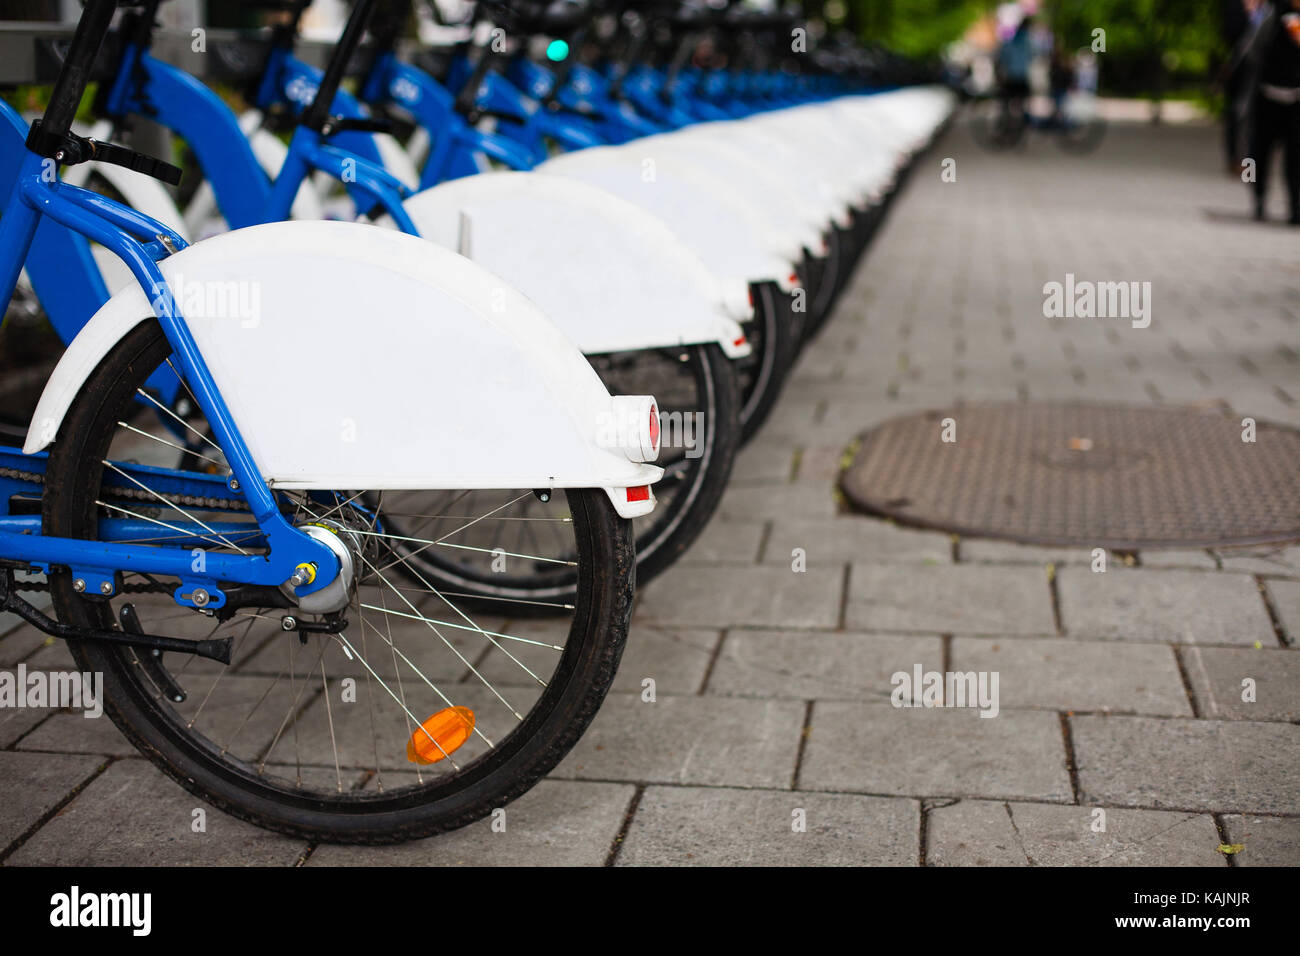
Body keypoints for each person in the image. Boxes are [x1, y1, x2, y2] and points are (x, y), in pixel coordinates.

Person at [1248, 0, 1300, 223]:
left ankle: (1295, 207)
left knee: (1296, 158)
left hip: (1297, 100)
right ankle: (1257, 198)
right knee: (1256, 154)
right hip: (1266, 96)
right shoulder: (1271, 14)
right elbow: (1252, 49)